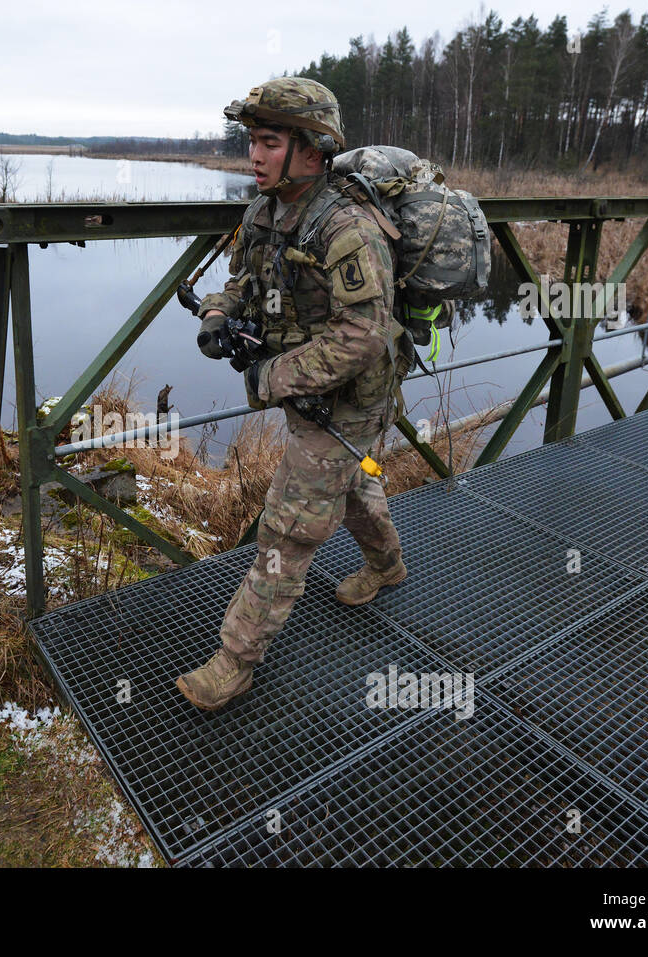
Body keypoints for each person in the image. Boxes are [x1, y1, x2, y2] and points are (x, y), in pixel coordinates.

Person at [176, 76, 412, 712]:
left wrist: (267, 379)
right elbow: (241, 283)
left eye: (269, 141)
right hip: (306, 386)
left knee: (288, 527)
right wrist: (218, 317)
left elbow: (361, 336)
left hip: (353, 394)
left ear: (312, 149)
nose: (253, 154)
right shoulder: (263, 212)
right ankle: (387, 567)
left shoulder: (348, 230)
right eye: (252, 140)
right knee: (351, 481)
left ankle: (235, 662)